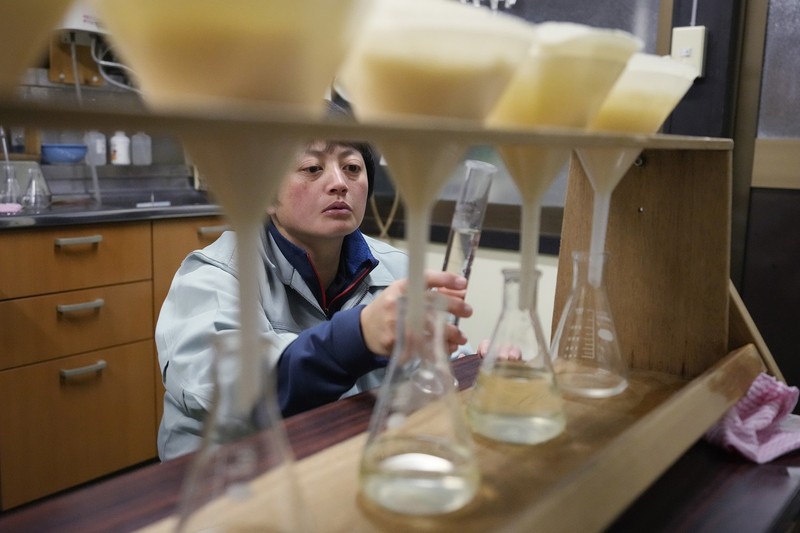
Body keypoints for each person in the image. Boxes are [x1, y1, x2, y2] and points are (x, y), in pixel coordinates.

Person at [155, 113, 473, 461]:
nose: (339, 183)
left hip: (342, 455)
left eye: (352, 168)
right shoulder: (213, 274)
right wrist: (356, 336)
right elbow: (232, 392)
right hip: (229, 477)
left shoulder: (397, 269)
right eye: (312, 168)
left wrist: (474, 364)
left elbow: (432, 367)